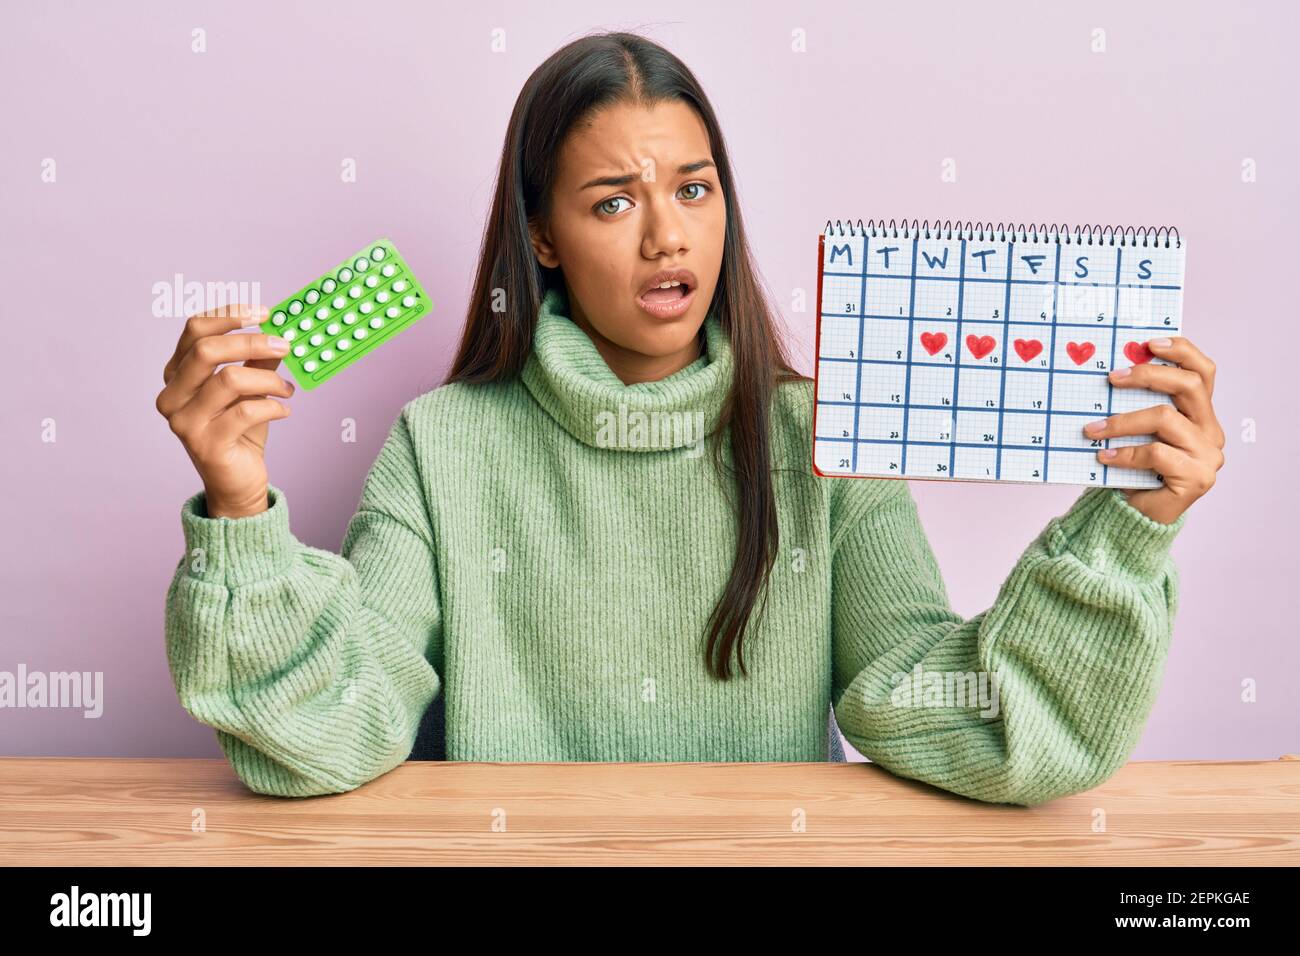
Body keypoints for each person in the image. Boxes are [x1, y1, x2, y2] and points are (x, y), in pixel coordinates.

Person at [154, 32, 1224, 803]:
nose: (668, 235)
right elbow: (338, 729)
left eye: (696, 188)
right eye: (613, 201)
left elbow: (965, 720)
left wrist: (1128, 529)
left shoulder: (822, 437)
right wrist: (241, 504)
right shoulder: (442, 446)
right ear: (542, 240)